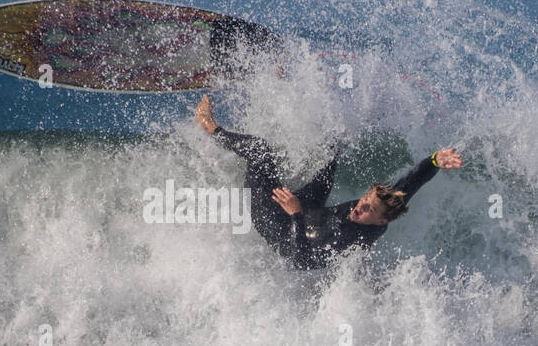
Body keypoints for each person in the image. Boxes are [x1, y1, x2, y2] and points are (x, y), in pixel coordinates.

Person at [194, 94, 462, 269]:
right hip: (312, 210)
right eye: (364, 200)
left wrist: (295, 214)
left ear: (381, 222)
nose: (359, 207)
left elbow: (300, 261)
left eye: (368, 209)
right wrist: (435, 160)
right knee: (332, 154)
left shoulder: (348, 239)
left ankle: (210, 126)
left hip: (279, 224)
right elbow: (411, 182)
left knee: (259, 150)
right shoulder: (382, 209)